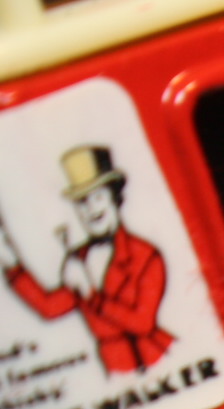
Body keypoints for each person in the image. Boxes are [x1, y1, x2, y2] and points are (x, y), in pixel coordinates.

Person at [0, 145, 173, 376]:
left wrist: (91, 294)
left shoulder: (145, 254)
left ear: (114, 197)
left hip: (157, 359)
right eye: (81, 202)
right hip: (114, 370)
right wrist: (7, 255)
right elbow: (49, 308)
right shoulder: (78, 259)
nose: (91, 208)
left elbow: (143, 323)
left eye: (98, 197)